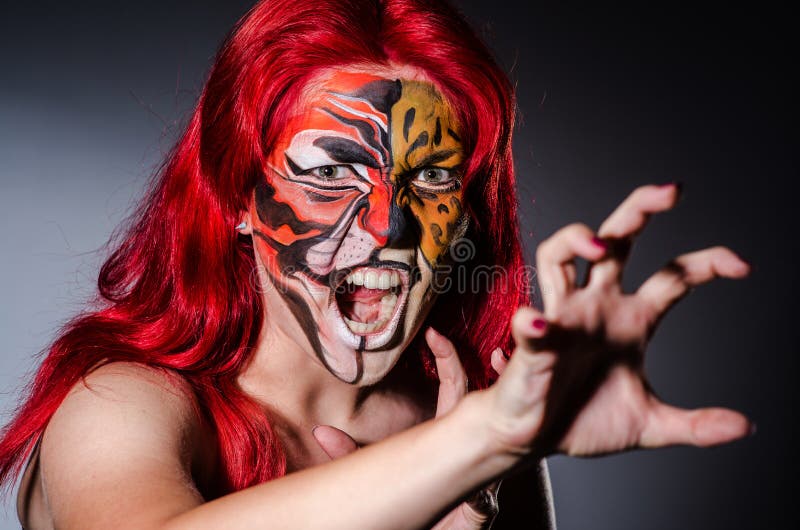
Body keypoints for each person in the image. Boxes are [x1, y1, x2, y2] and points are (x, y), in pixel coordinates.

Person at [0, 0, 753, 528]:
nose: (388, 225)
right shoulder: (124, 405)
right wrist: (479, 442)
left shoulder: (477, 423)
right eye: (329, 175)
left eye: (429, 179)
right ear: (236, 198)